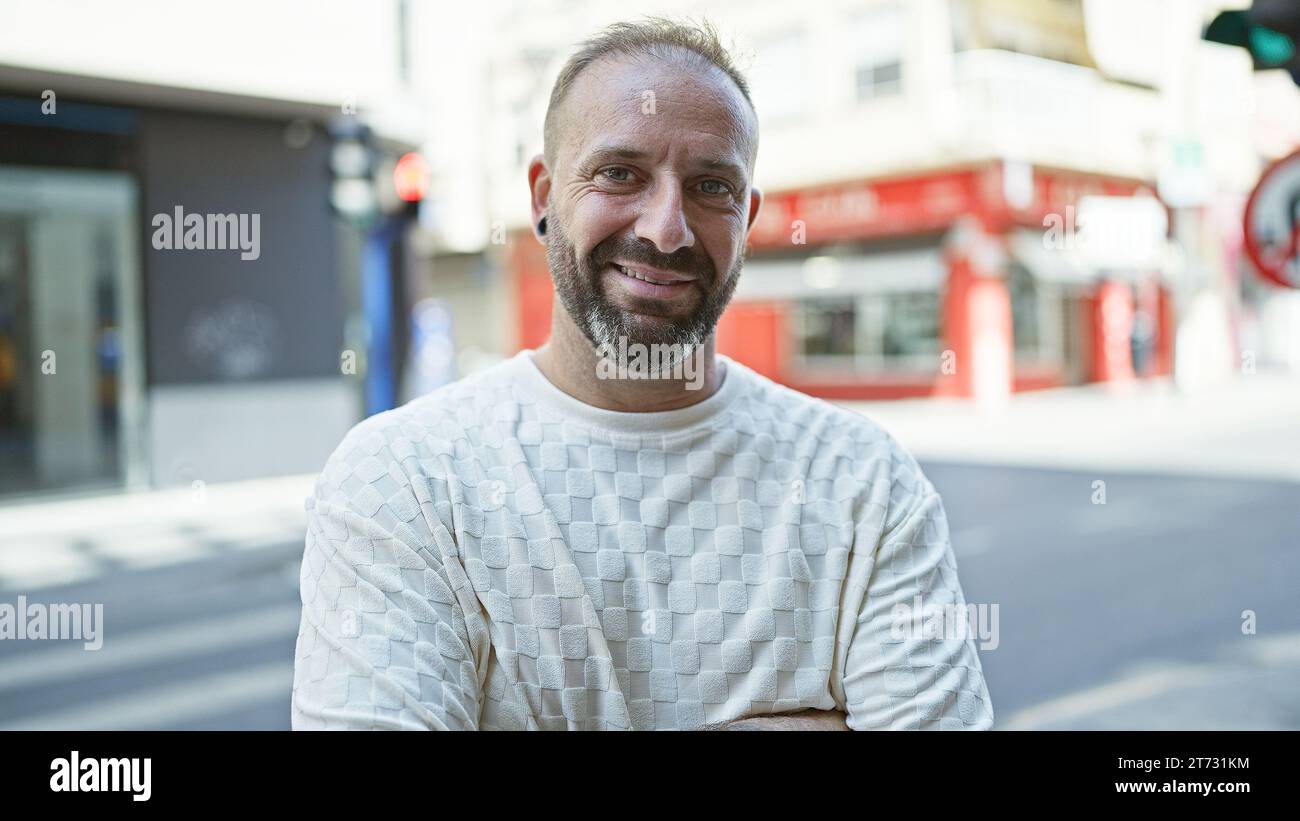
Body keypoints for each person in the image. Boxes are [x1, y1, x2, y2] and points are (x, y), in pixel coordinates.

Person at [291, 17, 994, 731]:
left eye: (710, 186)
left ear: (746, 218)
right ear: (543, 197)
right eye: (619, 173)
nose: (665, 229)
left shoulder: (865, 483)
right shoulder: (401, 479)